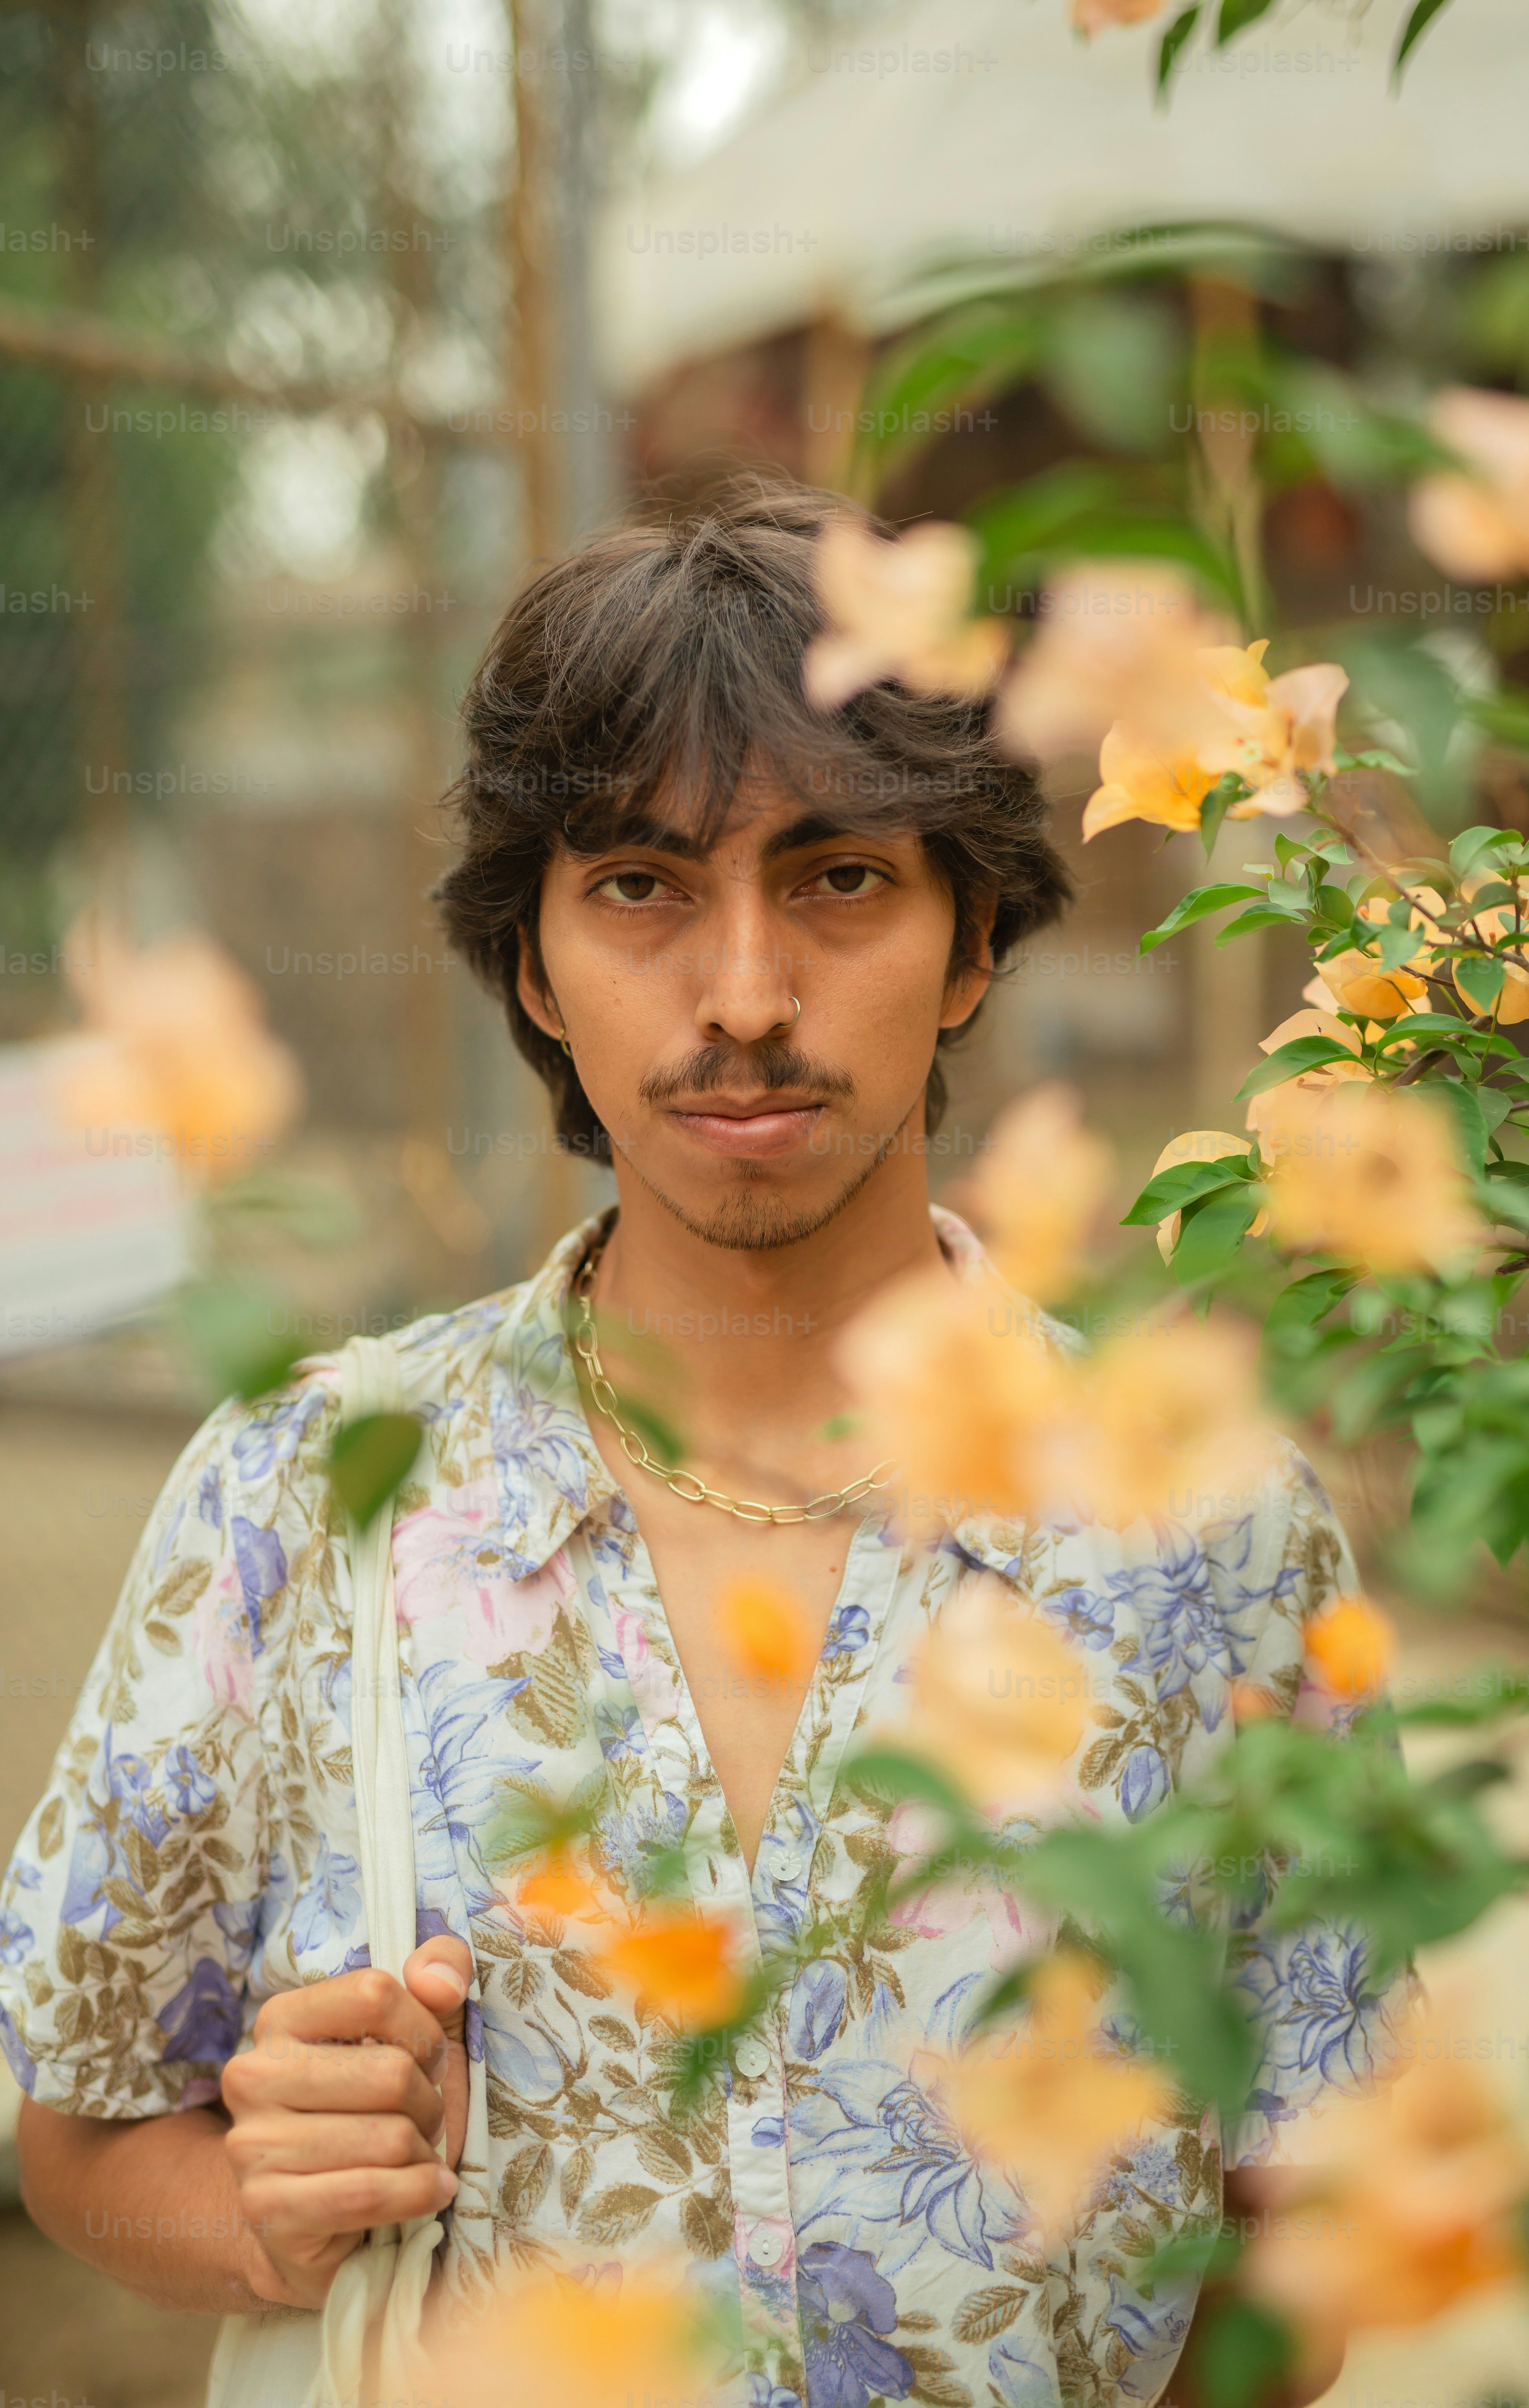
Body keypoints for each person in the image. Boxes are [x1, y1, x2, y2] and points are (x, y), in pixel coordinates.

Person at [2, 479, 1378, 2408]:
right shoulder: (299, 1495)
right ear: (540, 971)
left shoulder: (1213, 1532)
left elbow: (1303, 2223)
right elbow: (67, 2134)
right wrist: (256, 2207)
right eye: (642, 887)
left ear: (974, 944)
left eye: (840, 879)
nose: (744, 997)